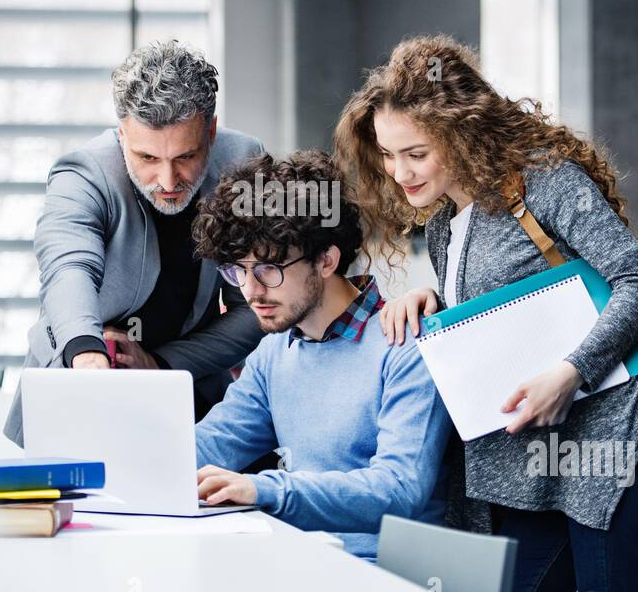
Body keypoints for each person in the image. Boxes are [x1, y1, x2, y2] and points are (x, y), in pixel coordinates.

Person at [333, 34, 638, 592]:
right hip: (534, 467)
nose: (399, 172)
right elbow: (504, 315)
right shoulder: (445, 223)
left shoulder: (546, 182)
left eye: (414, 153)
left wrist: (570, 374)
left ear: (460, 130)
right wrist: (433, 300)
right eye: (389, 155)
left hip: (616, 453)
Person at [188, 150, 453, 559]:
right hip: (302, 567)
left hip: (392, 584)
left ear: (326, 260)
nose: (251, 291)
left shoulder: (405, 344)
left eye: (268, 269)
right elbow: (210, 445)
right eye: (239, 270)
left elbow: (400, 488)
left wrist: (266, 489)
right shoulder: (274, 353)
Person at [3, 40, 265, 447]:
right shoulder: (85, 172)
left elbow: (254, 308)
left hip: (189, 396)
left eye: (185, 157)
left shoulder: (243, 163)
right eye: (147, 158)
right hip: (76, 390)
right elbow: (68, 267)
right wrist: (88, 355)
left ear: (210, 132)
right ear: (122, 134)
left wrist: (161, 364)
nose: (167, 181)